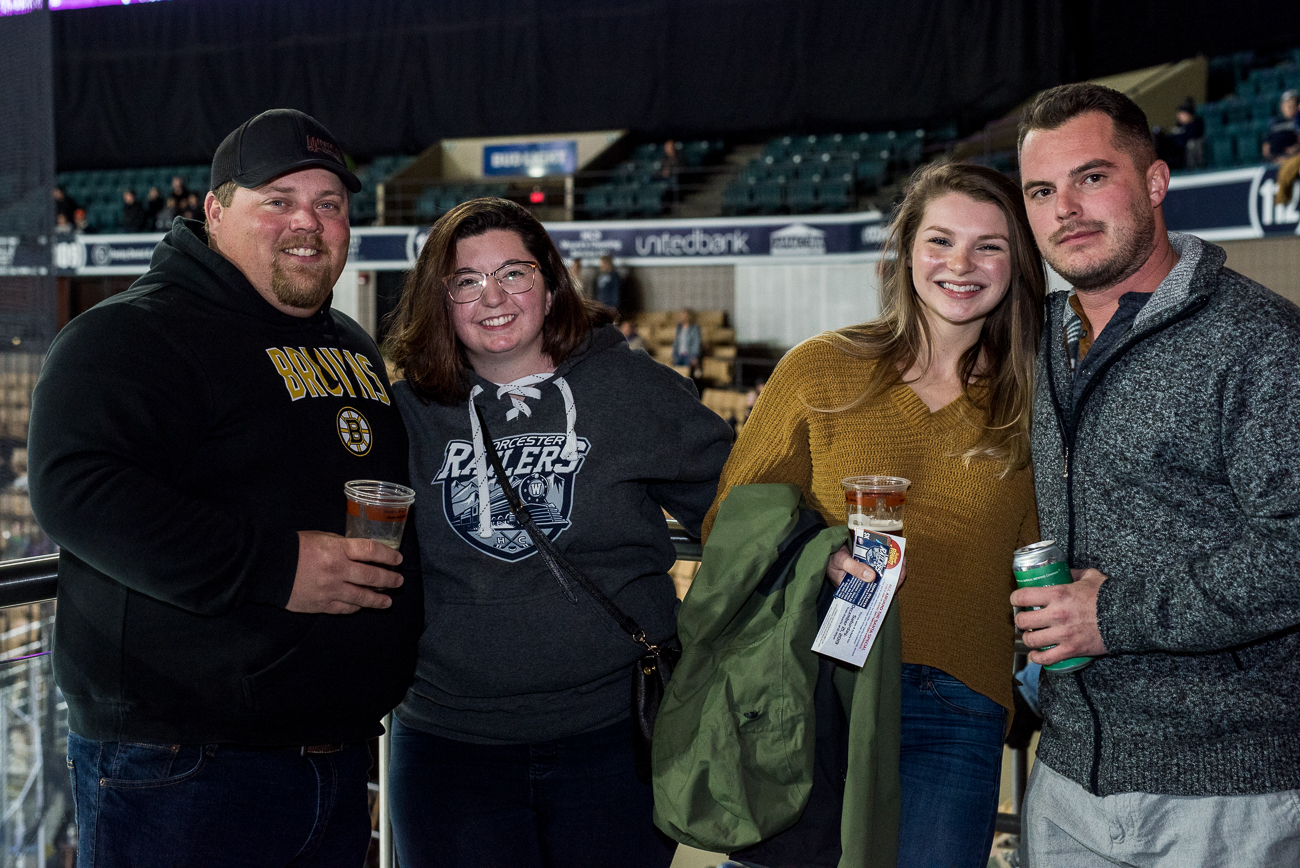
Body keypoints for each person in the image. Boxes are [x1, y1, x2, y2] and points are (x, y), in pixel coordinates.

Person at [27, 108, 421, 867]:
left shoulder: (350, 345)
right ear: (214, 211)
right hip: (181, 770)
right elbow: (76, 489)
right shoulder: (131, 334)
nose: (308, 222)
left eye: (329, 204)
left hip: (333, 761)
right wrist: (273, 566)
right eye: (278, 199)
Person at [704, 161, 1045, 868]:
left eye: (990, 246)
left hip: (957, 705)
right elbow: (728, 524)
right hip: (817, 693)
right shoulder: (819, 371)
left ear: (1019, 265)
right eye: (941, 241)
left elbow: (1040, 560)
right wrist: (819, 554)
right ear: (905, 252)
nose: (962, 264)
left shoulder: (1031, 405)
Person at [383, 197, 733, 868]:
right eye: (466, 281)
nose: (494, 296)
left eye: (514, 273)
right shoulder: (406, 414)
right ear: (441, 299)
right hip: (450, 748)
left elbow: (739, 509)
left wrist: (821, 554)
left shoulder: (630, 390)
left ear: (550, 283)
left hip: (611, 742)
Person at [1014, 82, 1300, 867]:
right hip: (1067, 780)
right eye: (1043, 190)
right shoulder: (1041, 343)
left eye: (1092, 177)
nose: (1065, 207)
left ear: (1154, 182)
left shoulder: (1261, 340)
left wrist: (1118, 617)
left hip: (1224, 795)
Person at [1263, 89, 1300, 163]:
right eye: (1287, 104)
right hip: (1274, 161)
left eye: (1293, 105)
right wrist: (1275, 159)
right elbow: (1266, 147)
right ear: (1282, 106)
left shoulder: (1298, 121)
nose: (1290, 107)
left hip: (1293, 160)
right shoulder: (1275, 123)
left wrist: (1294, 151)